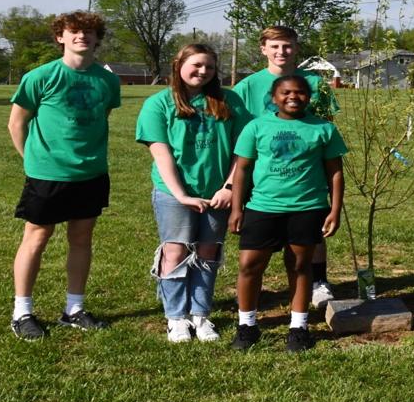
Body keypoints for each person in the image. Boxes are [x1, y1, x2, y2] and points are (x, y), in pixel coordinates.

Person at [6, 11, 122, 340]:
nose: (81, 36)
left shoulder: (108, 80)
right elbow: (17, 123)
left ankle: (74, 309)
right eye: (74, 31)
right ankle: (22, 312)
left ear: (98, 39)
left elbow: (103, 116)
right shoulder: (40, 77)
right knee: (37, 239)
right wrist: (33, 160)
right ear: (61, 37)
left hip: (91, 173)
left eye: (89, 32)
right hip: (48, 175)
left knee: (82, 240)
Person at [135, 43, 250, 343]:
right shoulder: (158, 104)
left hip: (217, 193)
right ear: (179, 65)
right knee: (175, 250)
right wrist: (182, 195)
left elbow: (243, 150)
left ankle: (200, 315)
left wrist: (229, 187)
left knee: (208, 251)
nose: (202, 71)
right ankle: (175, 317)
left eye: (209, 67)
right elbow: (162, 155)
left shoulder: (230, 101)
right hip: (174, 193)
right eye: (196, 65)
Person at [226, 75, 347, 352]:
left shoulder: (323, 129)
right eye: (286, 92)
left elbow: (335, 172)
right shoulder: (256, 127)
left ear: (309, 97)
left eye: (301, 93)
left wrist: (334, 209)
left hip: (307, 207)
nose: (294, 97)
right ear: (273, 97)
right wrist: (236, 208)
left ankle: (298, 328)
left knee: (299, 266)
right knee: (249, 265)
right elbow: (242, 169)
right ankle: (247, 326)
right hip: (262, 207)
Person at [232, 25, 341, 309]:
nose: (282, 52)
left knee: (310, 235)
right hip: (263, 169)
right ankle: (252, 292)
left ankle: (318, 281)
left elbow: (327, 127)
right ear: (263, 49)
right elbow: (238, 133)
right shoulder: (246, 86)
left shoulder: (316, 85)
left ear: (296, 48)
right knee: (258, 238)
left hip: (307, 174)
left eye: (288, 46)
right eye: (275, 46)